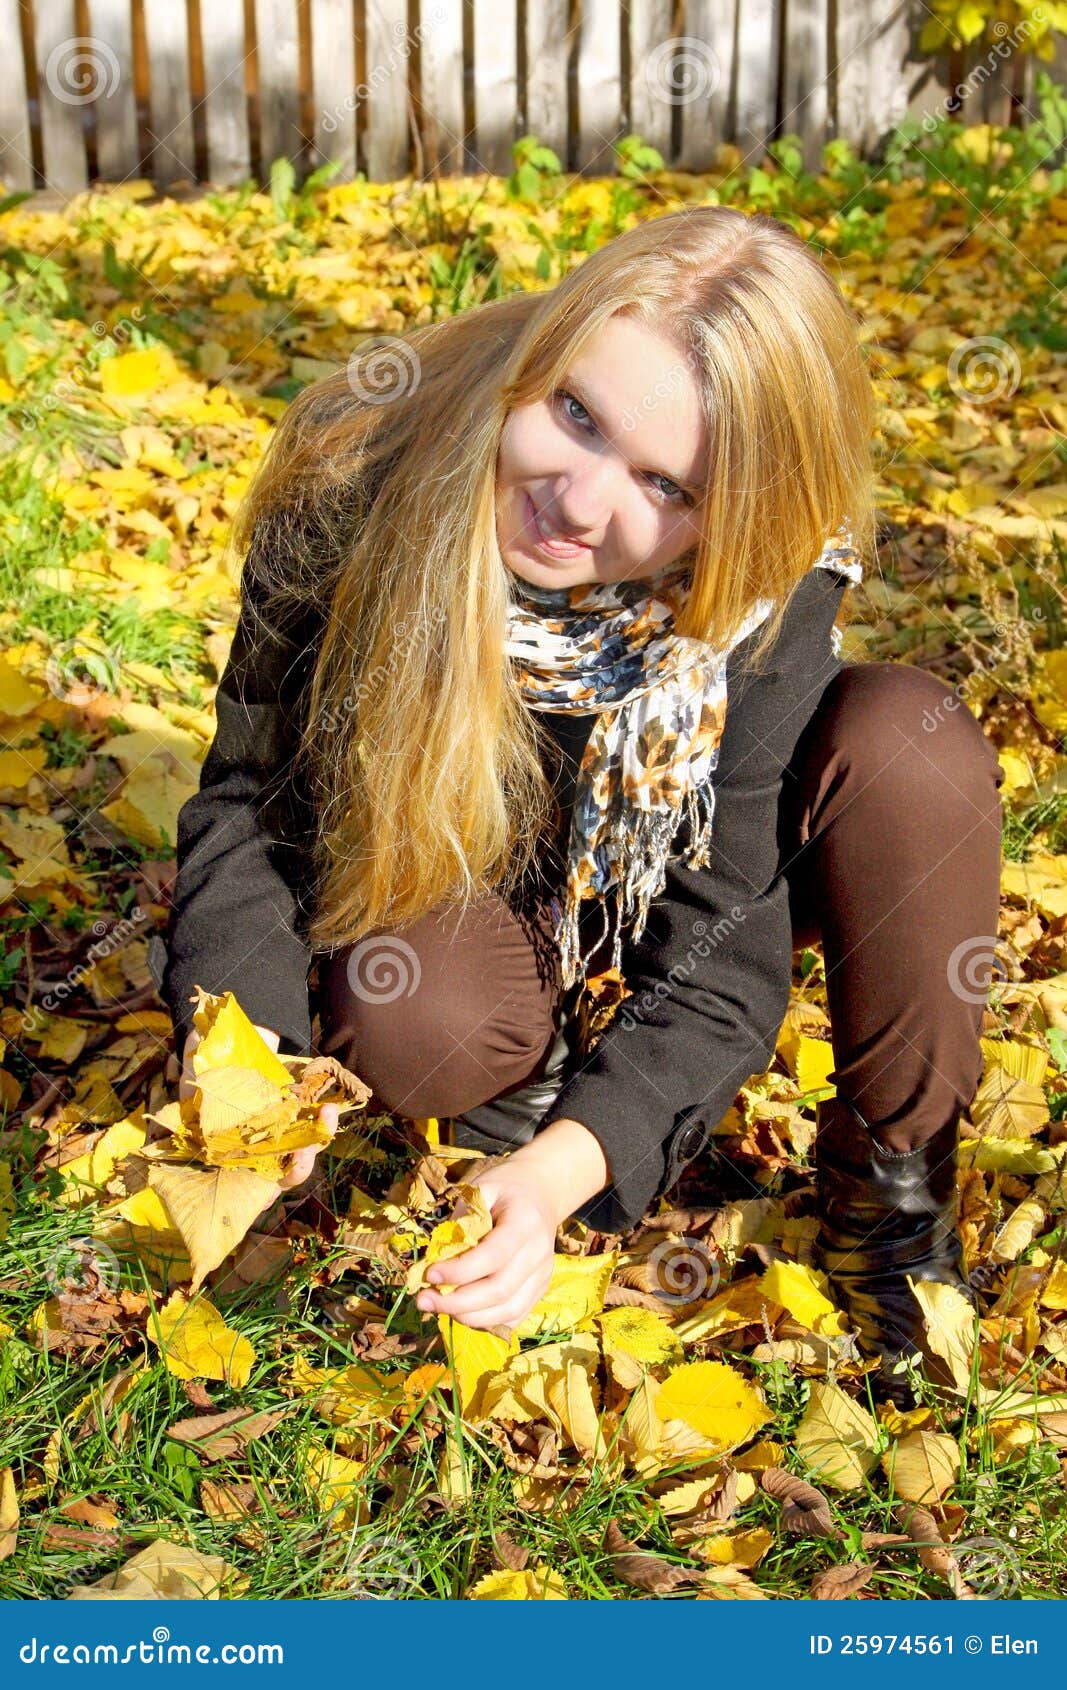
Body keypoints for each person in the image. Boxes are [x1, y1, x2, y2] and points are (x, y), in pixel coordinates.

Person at [157, 206, 1004, 1403]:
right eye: (573, 415)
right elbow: (247, 801)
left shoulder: (762, 589)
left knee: (912, 748)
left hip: (672, 876)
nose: (575, 501)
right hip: (458, 874)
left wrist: (564, 1177)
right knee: (420, 1014)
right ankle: (524, 1078)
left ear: (734, 514)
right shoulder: (357, 470)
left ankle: (892, 1204)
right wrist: (254, 1071)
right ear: (540, 353)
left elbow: (722, 951)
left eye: (664, 484)